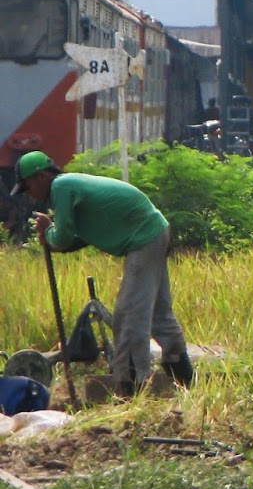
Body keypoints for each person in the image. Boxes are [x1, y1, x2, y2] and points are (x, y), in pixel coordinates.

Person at [13, 151, 193, 396]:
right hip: (152, 231)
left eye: (28, 187)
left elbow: (63, 237)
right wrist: (53, 238)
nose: (30, 195)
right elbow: (77, 238)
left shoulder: (61, 187)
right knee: (159, 313)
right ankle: (183, 376)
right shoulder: (68, 187)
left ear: (41, 177)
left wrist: (49, 230)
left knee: (129, 313)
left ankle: (132, 386)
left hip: (144, 236)